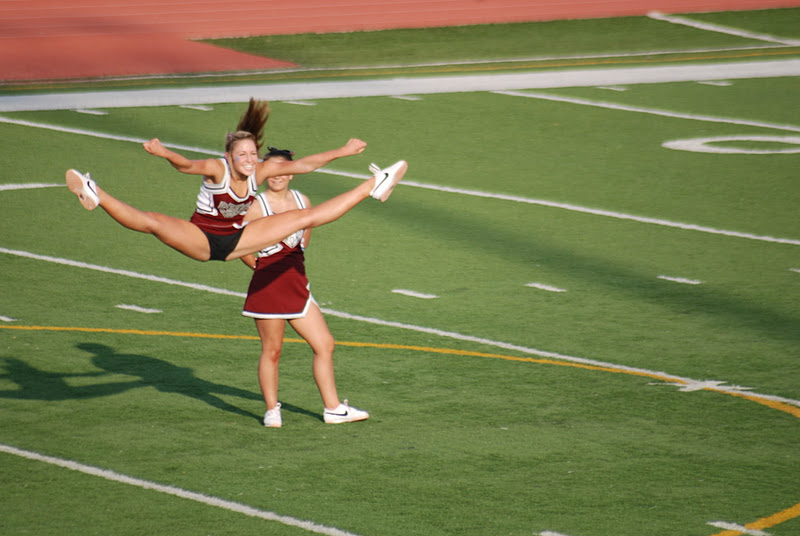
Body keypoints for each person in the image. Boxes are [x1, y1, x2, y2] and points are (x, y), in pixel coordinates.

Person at [65, 98, 408, 263]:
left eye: (252, 154)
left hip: (239, 240)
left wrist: (344, 152)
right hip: (202, 238)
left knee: (304, 217)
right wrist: (165, 152)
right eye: (241, 155)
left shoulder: (260, 170)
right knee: (152, 223)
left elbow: (303, 166)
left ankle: (373, 186)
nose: (248, 160)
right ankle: (95, 193)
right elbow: (186, 166)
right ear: (229, 157)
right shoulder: (218, 168)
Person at [239, 147, 370, 427]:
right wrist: (260, 267)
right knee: (272, 350)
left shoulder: (302, 200)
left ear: (291, 173)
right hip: (268, 286)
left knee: (324, 344)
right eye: (271, 170)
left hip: (297, 284)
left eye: (283, 170)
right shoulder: (255, 205)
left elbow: (304, 240)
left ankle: (333, 408)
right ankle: (272, 410)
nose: (277, 176)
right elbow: (239, 246)